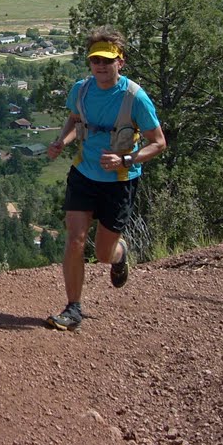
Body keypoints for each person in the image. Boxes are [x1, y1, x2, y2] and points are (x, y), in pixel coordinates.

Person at [45, 26, 166, 330]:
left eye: (107, 60)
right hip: (84, 173)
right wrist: (64, 141)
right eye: (95, 60)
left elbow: (158, 142)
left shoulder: (135, 97)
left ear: (120, 62)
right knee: (75, 240)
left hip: (120, 181)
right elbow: (75, 118)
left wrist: (125, 159)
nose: (100, 66)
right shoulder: (81, 90)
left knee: (102, 253)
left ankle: (120, 253)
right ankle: (73, 309)